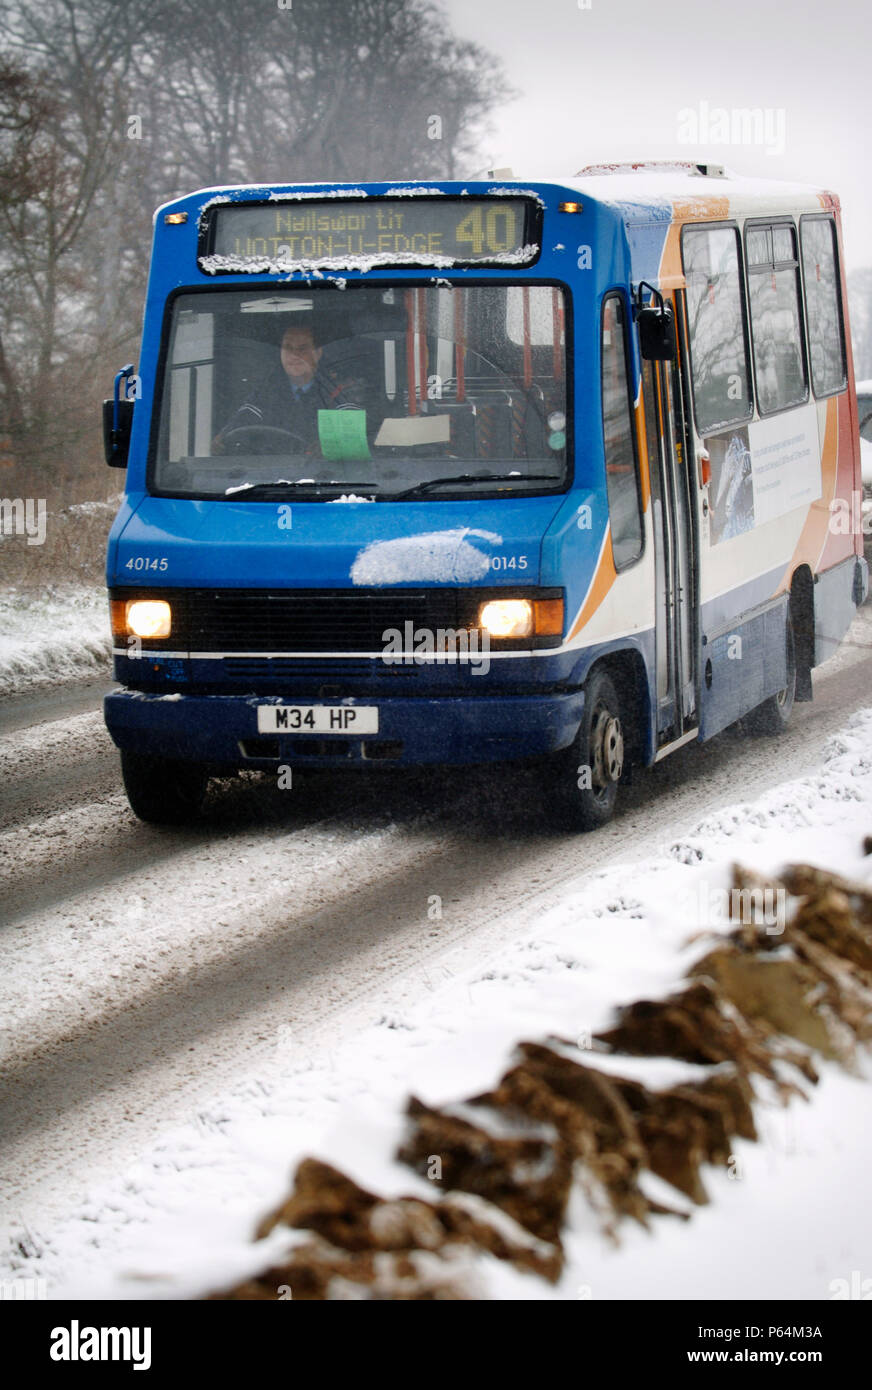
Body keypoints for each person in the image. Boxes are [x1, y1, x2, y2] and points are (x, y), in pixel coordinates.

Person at [213, 320, 372, 455]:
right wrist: (223, 438)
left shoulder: (342, 388)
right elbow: (243, 420)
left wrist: (331, 446)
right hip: (272, 477)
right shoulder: (267, 388)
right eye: (288, 348)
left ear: (318, 353)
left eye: (302, 348)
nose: (294, 355)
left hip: (329, 477)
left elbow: (352, 437)